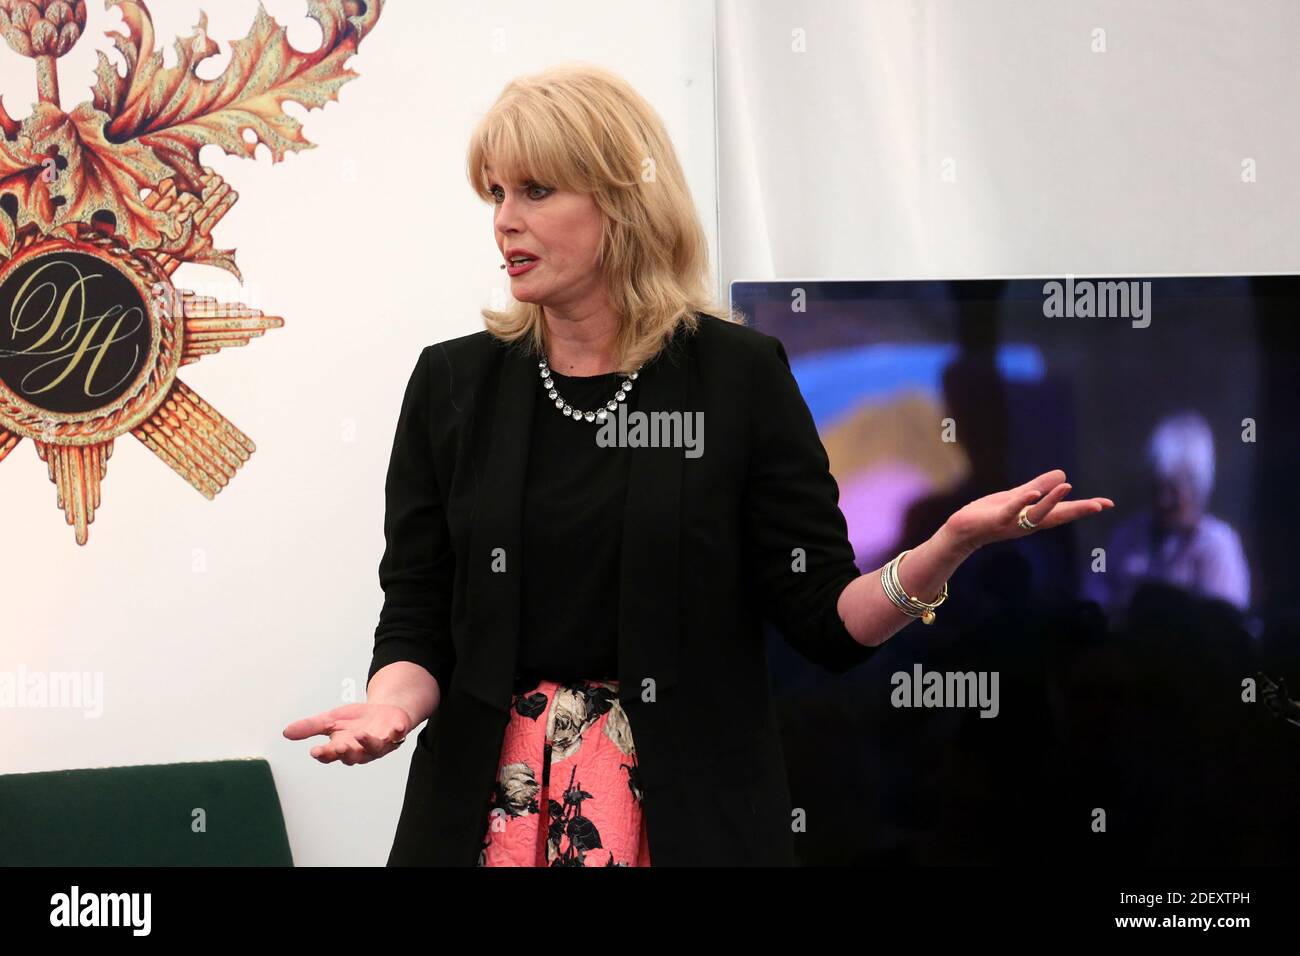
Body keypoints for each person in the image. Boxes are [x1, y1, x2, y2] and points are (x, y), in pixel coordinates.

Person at [283, 63, 1114, 866]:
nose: (504, 219)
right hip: (485, 816)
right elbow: (418, 615)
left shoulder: (736, 375)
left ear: (622, 201)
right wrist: (389, 710)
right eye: (495, 193)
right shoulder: (453, 384)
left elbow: (827, 619)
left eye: (535, 191)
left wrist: (948, 547)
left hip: (690, 819)